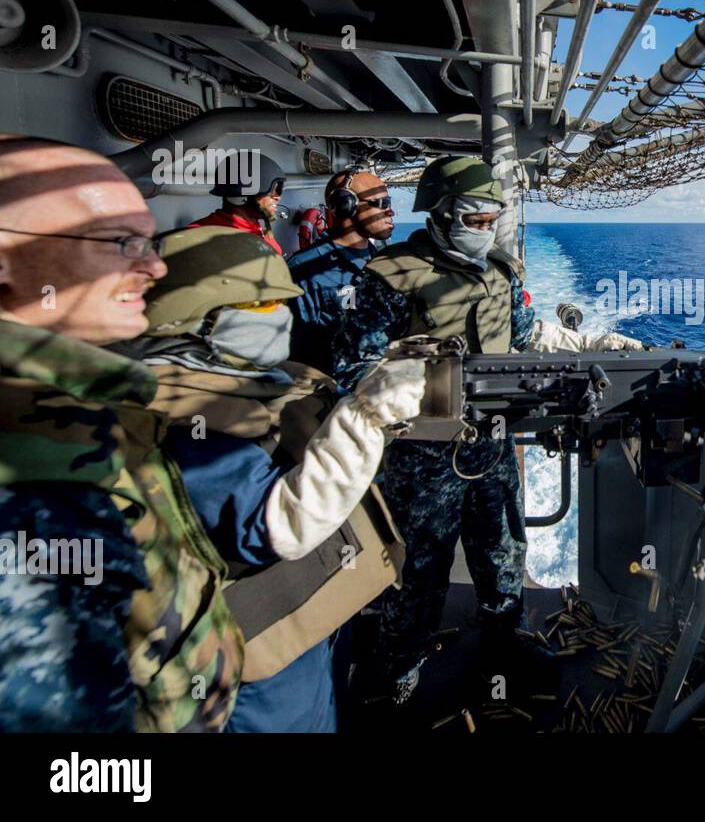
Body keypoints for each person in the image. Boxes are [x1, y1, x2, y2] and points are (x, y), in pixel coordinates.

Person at [333, 155, 643, 706]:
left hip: (492, 445)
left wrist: (595, 345)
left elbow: (528, 335)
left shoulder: (500, 273)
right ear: (442, 211)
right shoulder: (392, 277)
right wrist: (425, 382)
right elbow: (351, 370)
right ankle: (401, 662)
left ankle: (504, 641)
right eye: (473, 217)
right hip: (421, 454)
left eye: (491, 218)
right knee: (419, 567)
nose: (484, 229)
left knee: (502, 548)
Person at [121, 225, 426, 731]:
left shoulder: (238, 384)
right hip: (249, 656)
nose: (282, 317)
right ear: (197, 320)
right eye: (263, 307)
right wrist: (364, 418)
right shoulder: (179, 423)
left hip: (297, 625)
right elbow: (277, 527)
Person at [0, 136, 242, 732]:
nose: (156, 267)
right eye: (120, 242)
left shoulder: (72, 410)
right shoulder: (30, 478)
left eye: (151, 241)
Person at [286, 168, 395, 372]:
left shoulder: (381, 261)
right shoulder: (306, 269)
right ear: (347, 206)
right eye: (382, 204)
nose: (391, 212)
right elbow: (298, 351)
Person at [187, 151, 286, 254]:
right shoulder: (198, 237)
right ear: (244, 194)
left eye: (279, 188)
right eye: (274, 190)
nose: (278, 197)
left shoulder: (259, 232)